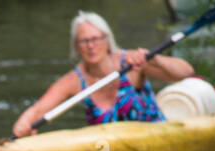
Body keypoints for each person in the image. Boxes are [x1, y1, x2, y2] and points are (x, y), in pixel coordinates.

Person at [11, 11, 194, 136]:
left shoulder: (131, 63)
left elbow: (185, 73)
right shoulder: (74, 80)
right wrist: (22, 124)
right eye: (84, 41)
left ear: (107, 39)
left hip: (153, 140)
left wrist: (154, 59)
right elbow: (39, 109)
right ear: (76, 46)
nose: (91, 46)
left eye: (95, 39)